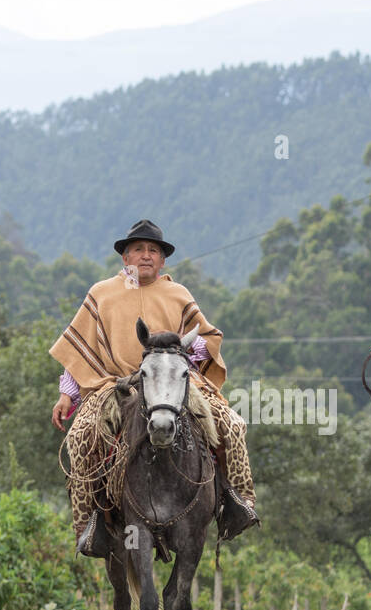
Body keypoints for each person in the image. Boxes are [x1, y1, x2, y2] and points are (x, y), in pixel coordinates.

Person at [51, 219, 257, 556]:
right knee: (79, 437)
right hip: (116, 384)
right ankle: (87, 522)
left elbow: (208, 337)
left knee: (232, 425)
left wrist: (186, 351)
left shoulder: (178, 294)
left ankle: (238, 502)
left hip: (174, 383)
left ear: (162, 261)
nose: (146, 256)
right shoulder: (101, 293)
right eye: (138, 250)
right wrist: (67, 393)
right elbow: (79, 349)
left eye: (153, 251)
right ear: (125, 258)